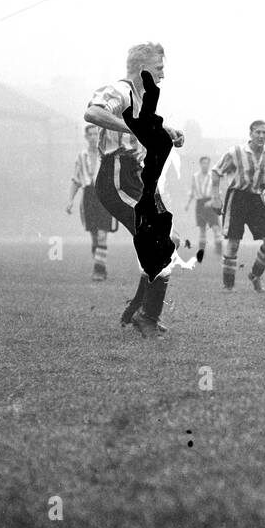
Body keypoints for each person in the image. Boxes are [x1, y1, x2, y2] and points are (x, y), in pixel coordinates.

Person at [83, 42, 185, 337]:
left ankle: (137, 311)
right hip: (117, 174)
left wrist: (167, 132)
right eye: (159, 68)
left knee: (172, 240)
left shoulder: (142, 98)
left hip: (138, 176)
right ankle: (146, 317)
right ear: (142, 69)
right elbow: (92, 113)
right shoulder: (120, 90)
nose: (163, 75)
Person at [211, 121, 265, 292]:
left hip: (256, 199)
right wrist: (215, 196)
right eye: (258, 132)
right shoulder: (236, 152)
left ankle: (255, 275)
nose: (261, 136)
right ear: (250, 134)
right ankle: (228, 286)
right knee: (233, 243)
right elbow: (216, 171)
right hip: (237, 197)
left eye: (264, 133)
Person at [67, 125, 118, 281]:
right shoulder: (81, 156)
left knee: (102, 234)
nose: (93, 137)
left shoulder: (108, 155)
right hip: (88, 196)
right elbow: (76, 180)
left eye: (96, 134)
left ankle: (99, 270)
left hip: (104, 196)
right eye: (90, 135)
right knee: (94, 236)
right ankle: (99, 263)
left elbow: (116, 178)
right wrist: (70, 201)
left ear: (100, 136)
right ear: (86, 137)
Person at [186, 155, 222, 262]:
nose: (205, 165)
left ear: (209, 164)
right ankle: (201, 253)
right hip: (200, 204)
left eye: (207, 163)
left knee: (216, 228)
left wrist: (212, 202)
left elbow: (216, 191)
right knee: (202, 229)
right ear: (200, 164)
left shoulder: (213, 176)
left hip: (210, 203)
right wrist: (188, 203)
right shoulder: (196, 176)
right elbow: (193, 191)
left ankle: (219, 252)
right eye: (203, 163)